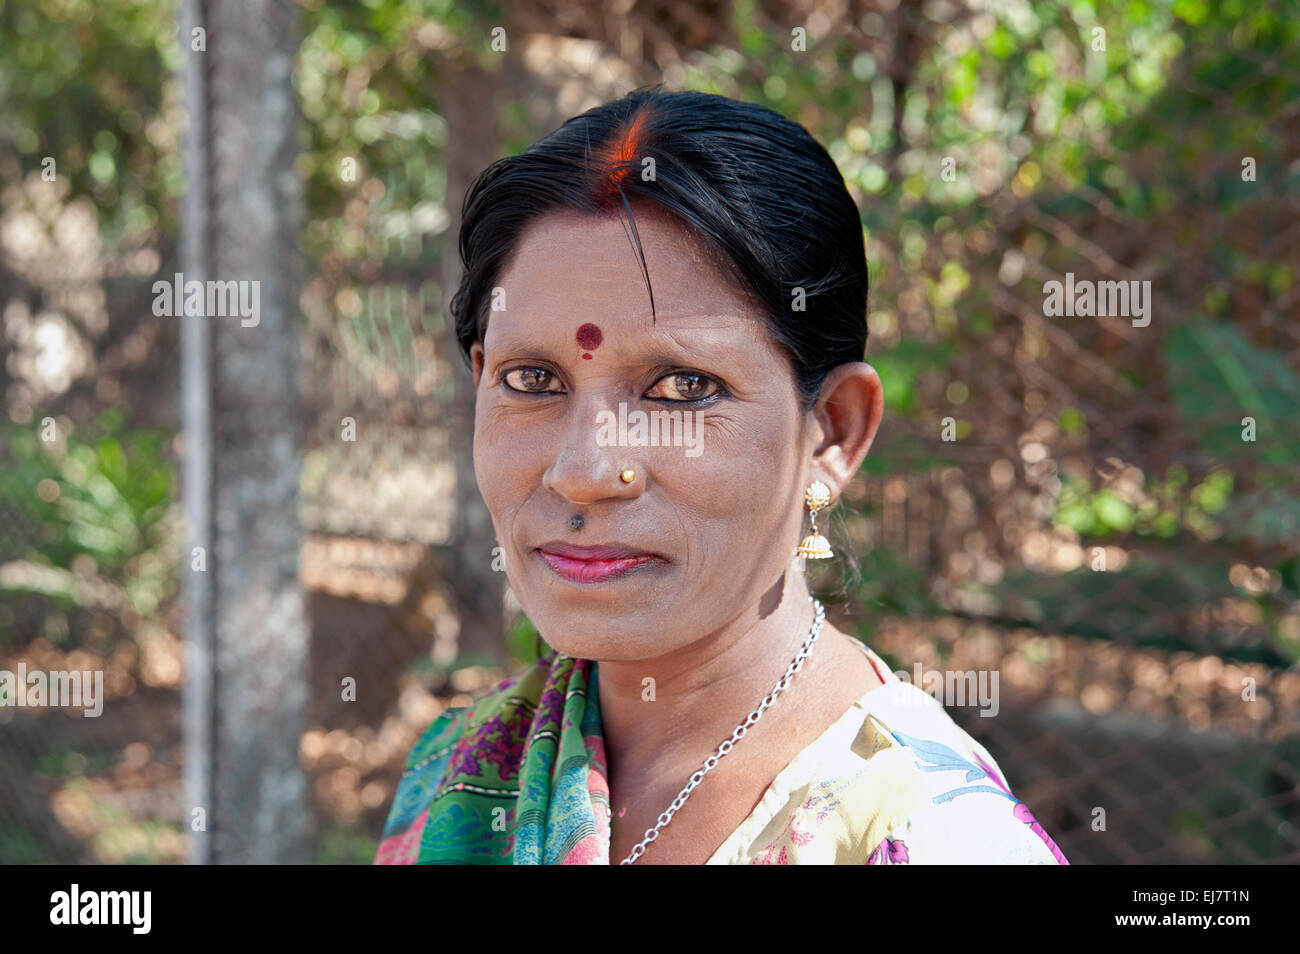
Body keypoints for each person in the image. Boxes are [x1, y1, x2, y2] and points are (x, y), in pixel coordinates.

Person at [375, 86, 1068, 865]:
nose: (582, 473)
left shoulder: (932, 836)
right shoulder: (461, 770)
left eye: (681, 389)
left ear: (833, 432)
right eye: (533, 380)